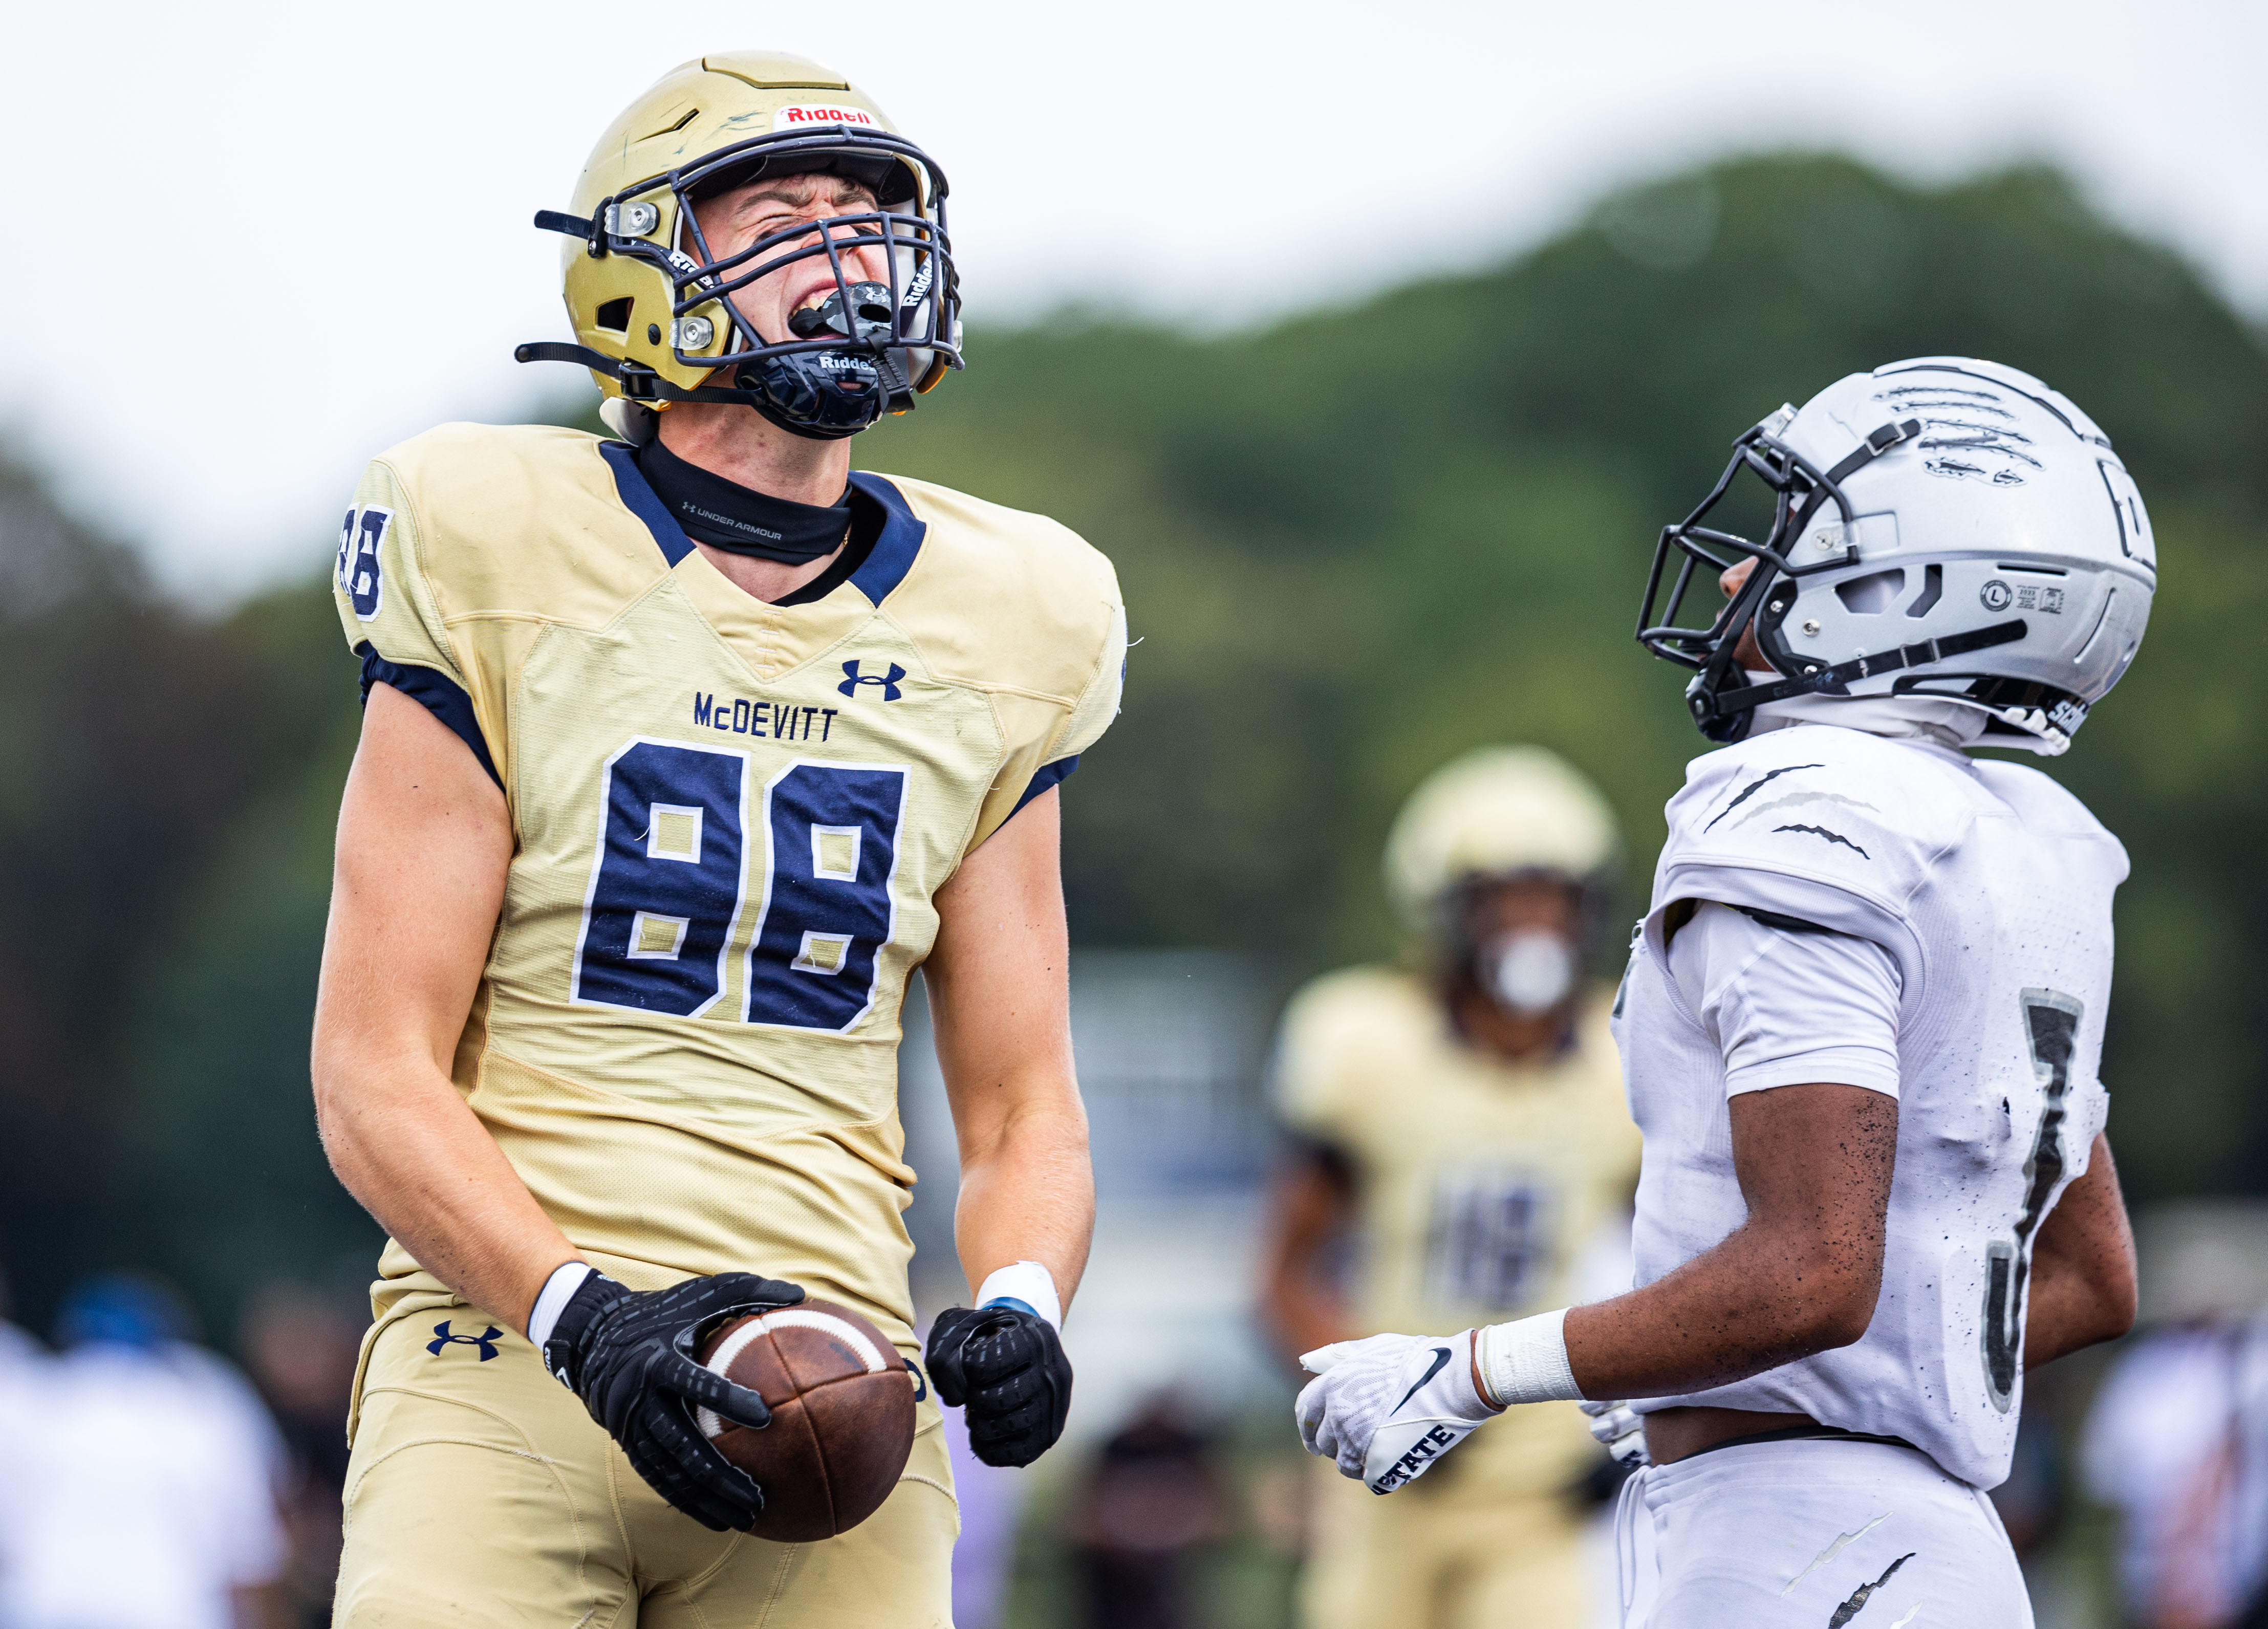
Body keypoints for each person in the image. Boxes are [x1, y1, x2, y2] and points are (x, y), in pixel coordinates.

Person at [313, 52, 1124, 1625]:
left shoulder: (1015, 610)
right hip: (511, 1361)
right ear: (644, 269)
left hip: (830, 1391)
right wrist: (582, 1314)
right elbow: (370, 1070)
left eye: (871, 216)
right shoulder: (490, 531)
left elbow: (1027, 1101)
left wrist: (1022, 1299)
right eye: (787, 210)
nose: (849, 249)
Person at [1292, 357, 2151, 1627]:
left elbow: (1813, 1269)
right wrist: (1681, 1351)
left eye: (1790, 539)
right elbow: (2090, 1276)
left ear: (1901, 587)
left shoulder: (1809, 813)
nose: (1742, 573)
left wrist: (1478, 1368)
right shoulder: (2028, 838)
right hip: (1935, 1543)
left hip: (1790, 1545)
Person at [1259, 746, 1639, 1629]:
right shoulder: (1365, 1041)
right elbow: (1283, 1272)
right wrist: (1363, 1394)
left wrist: (1641, 1424)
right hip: (1389, 1473)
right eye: (1505, 898)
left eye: (1553, 897)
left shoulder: (1630, 1051)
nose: (1531, 924)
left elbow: (1682, 1264)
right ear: (1446, 908)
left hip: (1544, 1477)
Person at [0, 1274, 286, 1629]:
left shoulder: (34, 1397)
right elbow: (254, 1555)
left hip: (45, 1610)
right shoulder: (208, 1400)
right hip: (171, 1613)